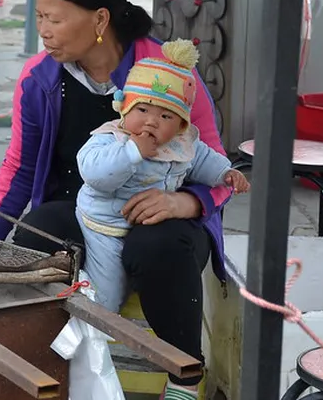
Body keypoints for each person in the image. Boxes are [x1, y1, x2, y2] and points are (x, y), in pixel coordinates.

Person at [0, 0, 232, 400]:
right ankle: (46, 362)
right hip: (84, 218)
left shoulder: (166, 76)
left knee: (158, 244)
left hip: (160, 224)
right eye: (39, 17)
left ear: (99, 18)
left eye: (54, 18)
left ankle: (184, 376)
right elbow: (19, 170)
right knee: (39, 231)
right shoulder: (41, 78)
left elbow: (216, 167)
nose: (44, 30)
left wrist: (187, 203)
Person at [77, 38, 249, 316]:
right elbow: (97, 175)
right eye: (142, 110)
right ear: (124, 108)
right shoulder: (111, 139)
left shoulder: (180, 144)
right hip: (103, 226)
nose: (151, 121)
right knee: (108, 297)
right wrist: (132, 153)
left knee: (154, 261)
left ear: (181, 125)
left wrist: (226, 173)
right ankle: (88, 317)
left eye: (166, 116)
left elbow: (203, 160)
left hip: (146, 229)